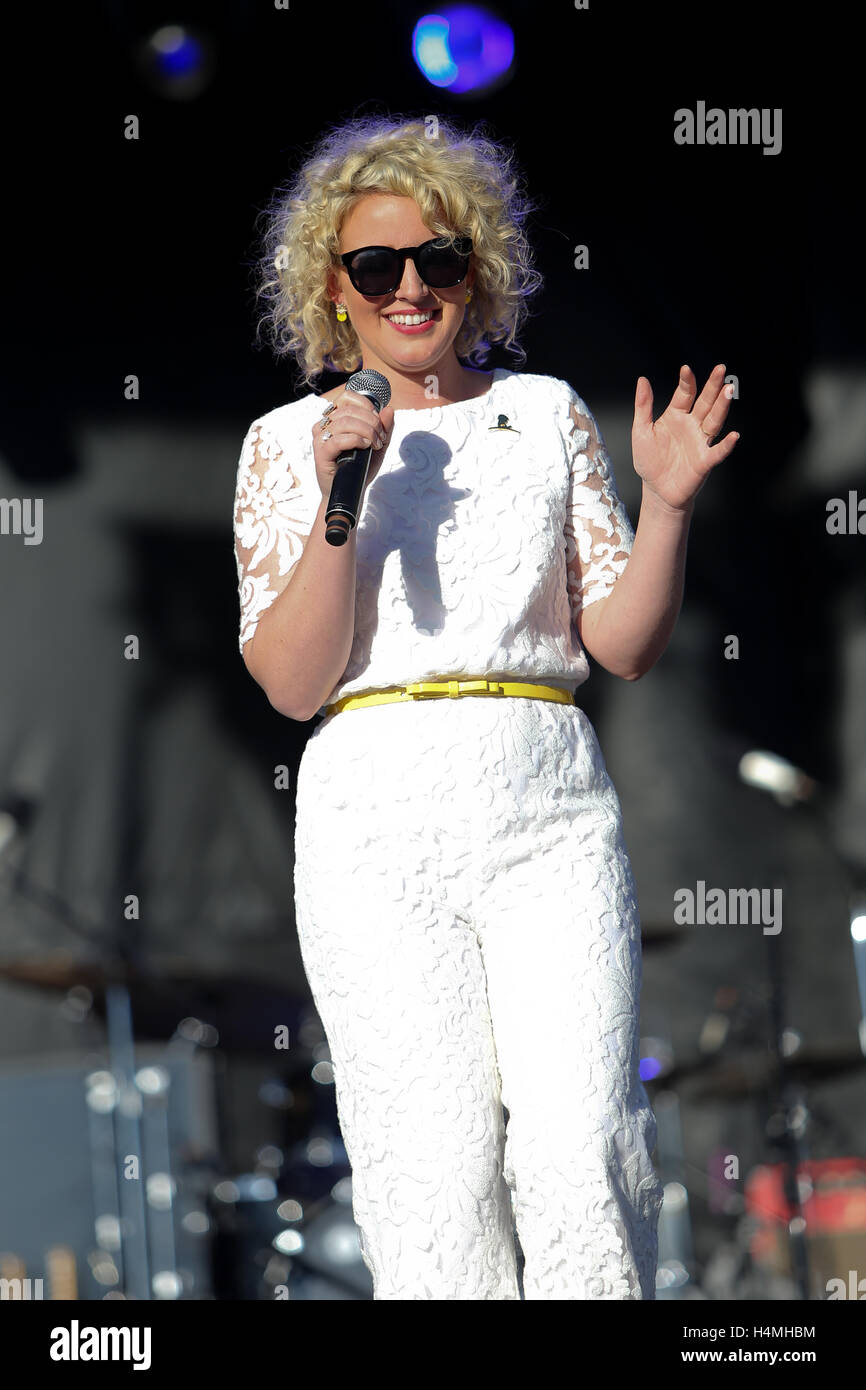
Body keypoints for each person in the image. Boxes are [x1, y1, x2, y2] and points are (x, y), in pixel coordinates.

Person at [232, 114, 738, 1300]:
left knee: (579, 1150)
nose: (410, 288)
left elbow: (619, 644)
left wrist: (663, 506)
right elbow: (295, 681)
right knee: (433, 1177)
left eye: (438, 261)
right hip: (375, 821)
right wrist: (333, 502)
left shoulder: (545, 414)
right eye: (376, 268)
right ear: (333, 288)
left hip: (543, 806)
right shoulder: (285, 442)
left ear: (478, 273)